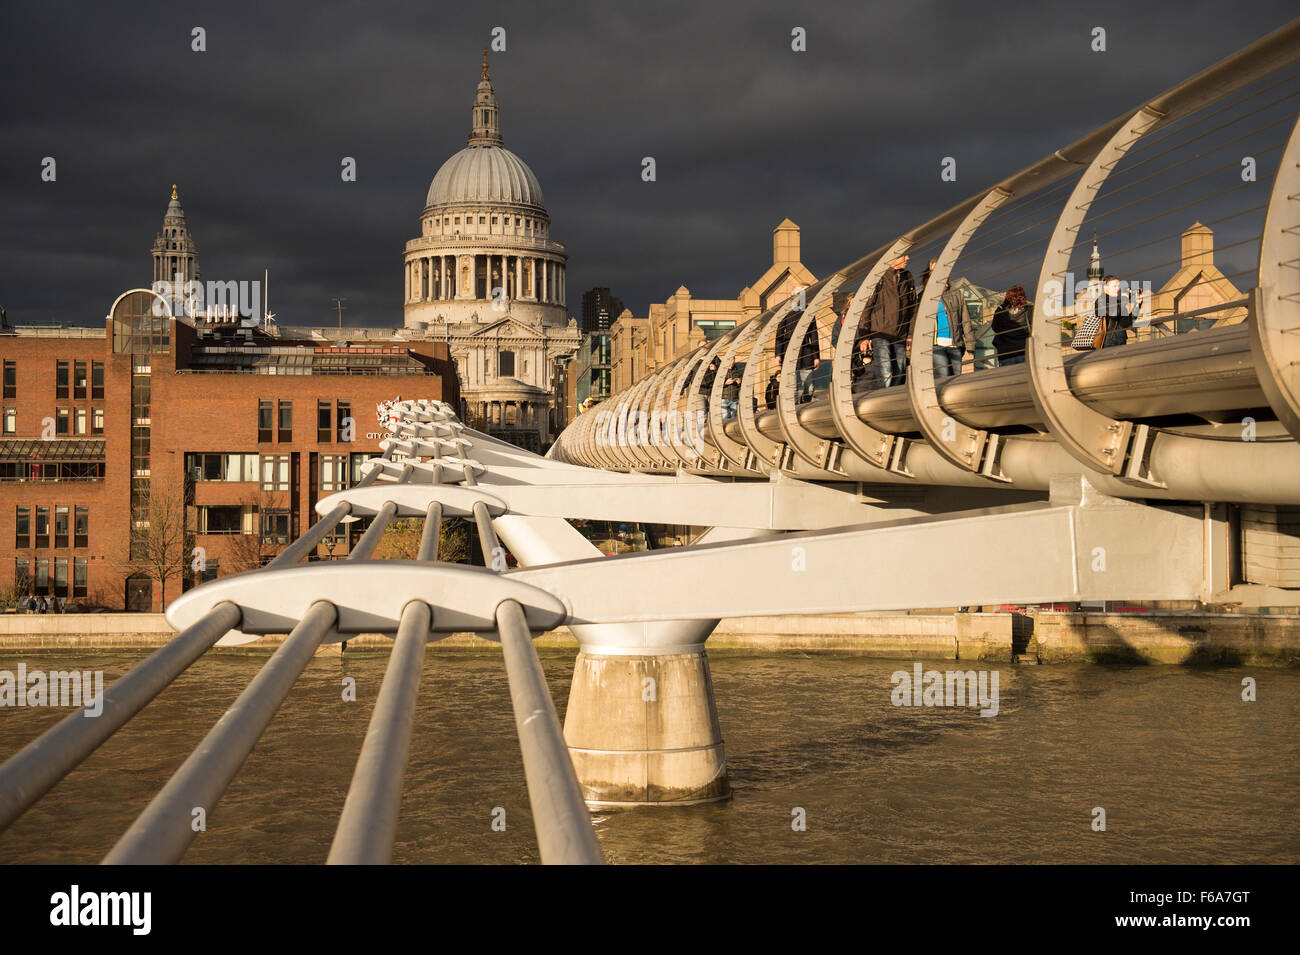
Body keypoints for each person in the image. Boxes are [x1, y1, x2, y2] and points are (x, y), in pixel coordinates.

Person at [862, 254, 917, 388]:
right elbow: (866, 307)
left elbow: (912, 308)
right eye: (903, 256)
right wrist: (864, 336)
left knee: (900, 372)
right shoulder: (878, 277)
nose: (908, 258)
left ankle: (892, 403)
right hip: (879, 332)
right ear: (893, 257)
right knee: (885, 371)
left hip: (901, 334)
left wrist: (910, 335)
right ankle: (882, 402)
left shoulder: (907, 277)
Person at [921, 260, 974, 379]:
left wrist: (970, 344)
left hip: (955, 345)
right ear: (929, 273)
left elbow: (965, 320)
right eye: (934, 270)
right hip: (935, 345)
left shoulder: (956, 293)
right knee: (943, 378)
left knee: (956, 379)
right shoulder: (925, 296)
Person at [774, 308, 821, 404]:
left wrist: (816, 356)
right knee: (792, 387)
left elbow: (814, 334)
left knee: (810, 387)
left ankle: (805, 402)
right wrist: (778, 354)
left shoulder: (809, 311)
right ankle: (794, 408)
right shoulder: (786, 311)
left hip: (806, 352)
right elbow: (779, 335)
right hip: (789, 352)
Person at [992, 285, 1032, 365]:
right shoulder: (1030, 310)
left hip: (1006, 353)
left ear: (1008, 297)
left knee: (1008, 377)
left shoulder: (1001, 311)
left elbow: (995, 328)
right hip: (1024, 351)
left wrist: (1001, 307)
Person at [1097, 275, 1136, 348]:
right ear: (1106, 288)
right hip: (1107, 342)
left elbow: (1127, 324)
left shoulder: (1119, 303)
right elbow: (1113, 314)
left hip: (1121, 341)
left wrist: (1138, 304)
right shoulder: (1101, 301)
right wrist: (1125, 298)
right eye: (1114, 286)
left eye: (1118, 286)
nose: (1118, 289)